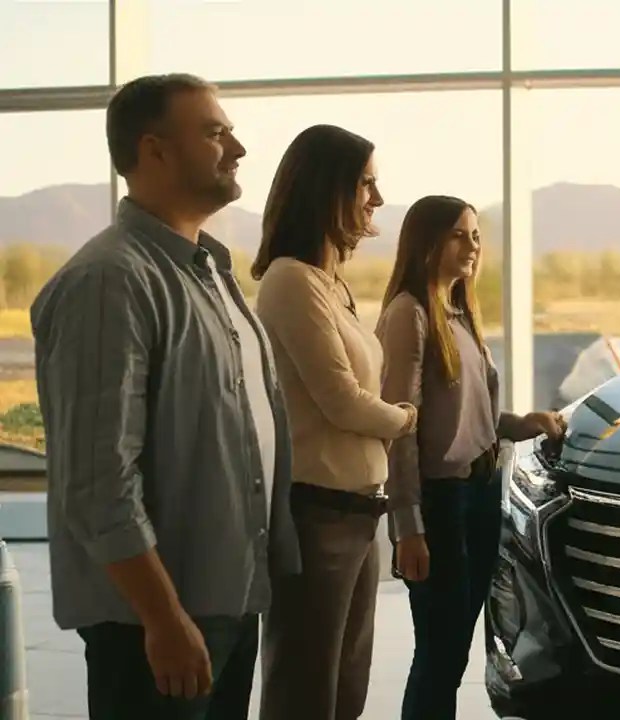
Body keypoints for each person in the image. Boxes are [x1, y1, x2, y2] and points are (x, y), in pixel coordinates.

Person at [30, 73, 298, 720]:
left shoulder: (207, 271)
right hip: (156, 625)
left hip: (224, 602)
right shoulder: (110, 281)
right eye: (214, 133)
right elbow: (97, 481)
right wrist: (164, 618)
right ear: (155, 151)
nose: (236, 149)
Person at [251, 125, 419, 720]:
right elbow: (343, 402)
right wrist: (404, 419)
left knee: (345, 688)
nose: (376, 198)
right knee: (306, 690)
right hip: (316, 516)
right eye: (366, 183)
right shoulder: (291, 280)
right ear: (328, 190)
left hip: (355, 512)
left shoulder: (331, 285)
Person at [376, 195, 567, 719]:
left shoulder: (458, 314)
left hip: (480, 495)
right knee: (439, 655)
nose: (473, 245)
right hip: (441, 504)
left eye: (476, 235)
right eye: (459, 234)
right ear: (427, 241)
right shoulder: (408, 315)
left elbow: (470, 418)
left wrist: (522, 424)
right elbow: (400, 428)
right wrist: (407, 527)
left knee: (452, 652)